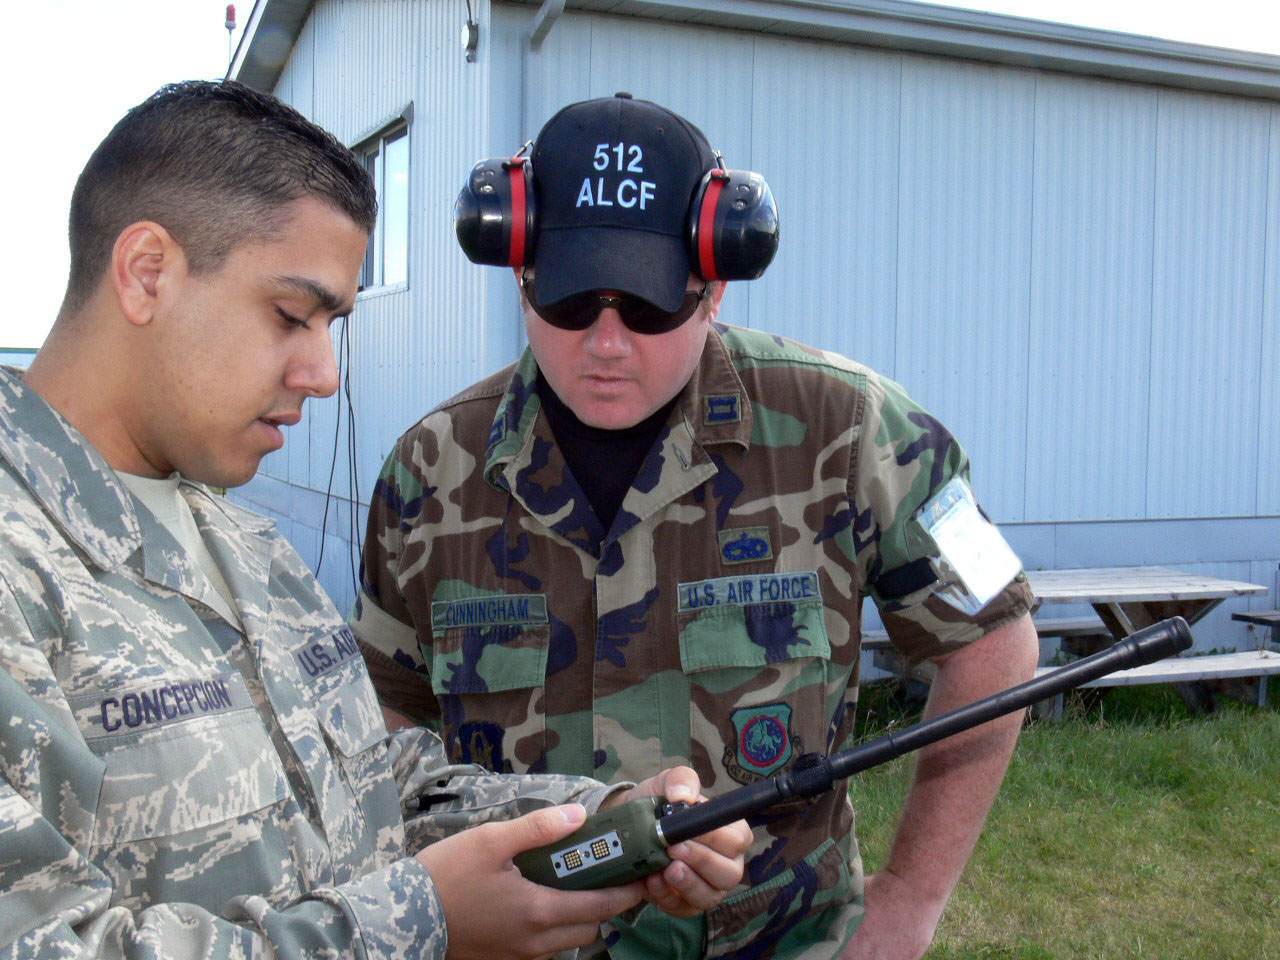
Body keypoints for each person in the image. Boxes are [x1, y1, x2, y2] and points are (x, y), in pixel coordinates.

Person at [0, 80, 752, 959]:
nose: (323, 373)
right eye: (290, 316)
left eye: (332, 326)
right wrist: (421, 921)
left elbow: (371, 786)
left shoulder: (245, 547)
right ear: (146, 273)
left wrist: (600, 819)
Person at [352, 93, 1041, 960]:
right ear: (520, 276)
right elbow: (381, 722)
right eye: (570, 305)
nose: (605, 343)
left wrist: (910, 899)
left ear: (712, 287)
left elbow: (994, 639)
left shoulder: (854, 430)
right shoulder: (428, 472)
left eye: (646, 309)